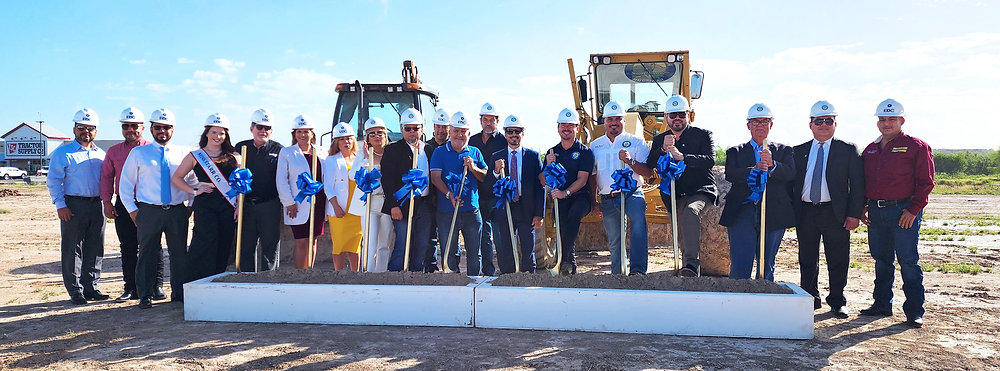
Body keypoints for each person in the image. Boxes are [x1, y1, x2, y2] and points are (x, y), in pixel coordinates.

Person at [859, 98, 934, 328]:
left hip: (903, 212)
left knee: (908, 261)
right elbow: (864, 182)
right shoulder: (870, 149)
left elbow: (926, 182)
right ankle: (882, 304)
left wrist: (913, 210)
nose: (887, 123)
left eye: (892, 119)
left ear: (902, 120)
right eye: (882, 119)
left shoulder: (916, 146)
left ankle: (914, 311)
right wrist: (862, 206)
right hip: (877, 213)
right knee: (881, 260)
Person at [791, 101, 865, 318]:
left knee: (838, 258)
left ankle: (837, 300)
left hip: (835, 213)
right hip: (806, 212)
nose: (823, 125)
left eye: (828, 121)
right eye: (819, 121)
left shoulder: (847, 150)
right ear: (810, 124)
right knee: (807, 258)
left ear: (835, 123)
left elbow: (858, 185)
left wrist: (853, 214)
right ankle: (809, 297)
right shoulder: (799, 151)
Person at [119, 108, 198, 309]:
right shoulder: (139, 153)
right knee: (147, 253)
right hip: (149, 211)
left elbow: (192, 181)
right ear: (151, 129)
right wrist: (132, 210)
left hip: (176, 211)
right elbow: (125, 184)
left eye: (166, 127)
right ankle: (145, 294)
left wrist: (190, 205)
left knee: (179, 253)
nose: (162, 131)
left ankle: (179, 293)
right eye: (158, 127)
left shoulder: (184, 153)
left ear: (173, 129)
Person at [719, 103, 796, 281]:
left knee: (766, 263)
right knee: (740, 262)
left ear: (771, 124)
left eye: (764, 121)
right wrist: (753, 169)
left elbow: (790, 173)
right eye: (755, 122)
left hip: (774, 213)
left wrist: (773, 165)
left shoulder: (784, 151)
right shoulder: (735, 151)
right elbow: (731, 173)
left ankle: (764, 301)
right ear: (748, 126)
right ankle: (738, 300)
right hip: (742, 211)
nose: (760, 125)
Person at [644, 95, 718, 277]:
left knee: (691, 212)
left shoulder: (703, 135)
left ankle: (692, 265)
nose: (677, 118)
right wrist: (662, 150)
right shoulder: (660, 138)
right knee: (680, 231)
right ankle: (687, 270)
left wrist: (682, 156)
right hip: (674, 194)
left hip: (701, 190)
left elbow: (710, 160)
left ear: (688, 116)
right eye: (673, 115)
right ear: (666, 117)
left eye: (681, 114)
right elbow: (650, 163)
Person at [100, 107, 163, 302]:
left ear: (143, 127)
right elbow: (106, 177)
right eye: (126, 126)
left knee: (153, 245)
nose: (130, 129)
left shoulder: (154, 149)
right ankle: (131, 287)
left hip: (149, 204)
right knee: (127, 246)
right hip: (123, 204)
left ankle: (156, 285)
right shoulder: (113, 152)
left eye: (134, 126)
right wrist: (106, 202)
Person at [171, 113, 241, 283]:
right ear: (207, 133)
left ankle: (217, 282)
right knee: (204, 243)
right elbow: (176, 178)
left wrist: (240, 204)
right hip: (205, 205)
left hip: (228, 206)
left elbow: (241, 183)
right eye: (214, 132)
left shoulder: (235, 156)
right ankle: (196, 283)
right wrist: (194, 190)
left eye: (222, 133)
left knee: (224, 244)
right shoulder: (195, 156)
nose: (218, 136)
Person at [47, 108, 107, 305]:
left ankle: (91, 286)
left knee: (95, 246)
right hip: (73, 205)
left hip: (96, 205)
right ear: (74, 128)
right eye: (81, 127)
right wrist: (60, 205)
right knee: (73, 248)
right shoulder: (63, 153)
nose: (85, 132)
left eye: (90, 128)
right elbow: (54, 181)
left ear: (96, 131)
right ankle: (75, 290)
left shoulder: (101, 154)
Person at [590, 101, 652, 275]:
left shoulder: (637, 142)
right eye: (610, 119)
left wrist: (630, 161)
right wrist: (594, 201)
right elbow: (593, 176)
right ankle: (618, 274)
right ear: (604, 121)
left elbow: (647, 172)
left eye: (618, 119)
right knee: (615, 239)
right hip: (608, 197)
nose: (614, 123)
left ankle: (638, 272)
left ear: (624, 120)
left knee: (638, 224)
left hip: (632, 193)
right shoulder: (595, 146)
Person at [430, 111, 489, 275]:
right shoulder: (439, 152)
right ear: (450, 131)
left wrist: (473, 168)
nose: (460, 135)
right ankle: (451, 284)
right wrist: (449, 195)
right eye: (456, 130)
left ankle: (473, 284)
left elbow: (484, 176)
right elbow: (435, 178)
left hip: (471, 211)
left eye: (463, 131)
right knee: (449, 252)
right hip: (446, 211)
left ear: (468, 133)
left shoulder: (475, 152)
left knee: (474, 253)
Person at [486, 115, 544, 274]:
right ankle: (507, 278)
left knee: (527, 248)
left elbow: (540, 187)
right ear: (505, 134)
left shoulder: (532, 157)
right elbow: (488, 184)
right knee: (506, 248)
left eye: (517, 131)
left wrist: (539, 213)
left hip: (527, 209)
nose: (513, 134)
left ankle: (528, 279)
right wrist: (497, 171)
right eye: (510, 131)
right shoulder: (496, 156)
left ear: (522, 133)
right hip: (505, 208)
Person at [381, 108, 434, 272]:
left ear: (422, 129)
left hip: (424, 204)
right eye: (408, 128)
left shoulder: (429, 150)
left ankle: (416, 275)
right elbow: (387, 180)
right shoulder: (392, 150)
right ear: (402, 129)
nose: (412, 132)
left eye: (415, 128)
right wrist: (393, 205)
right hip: (401, 204)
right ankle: (395, 275)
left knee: (422, 242)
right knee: (403, 242)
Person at [545, 108, 595, 275]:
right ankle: (569, 266)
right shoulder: (552, 152)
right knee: (562, 227)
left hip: (581, 196)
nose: (566, 128)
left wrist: (565, 193)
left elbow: (582, 179)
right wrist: (548, 165)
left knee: (573, 214)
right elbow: (546, 178)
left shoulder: (585, 152)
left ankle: (563, 260)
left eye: (570, 125)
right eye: (563, 125)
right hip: (560, 198)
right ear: (558, 128)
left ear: (577, 128)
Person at [234, 108, 284, 271]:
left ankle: (269, 282)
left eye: (267, 128)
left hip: (270, 205)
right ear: (251, 128)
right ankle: (248, 281)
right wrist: (237, 204)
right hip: (247, 205)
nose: (263, 131)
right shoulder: (241, 147)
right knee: (246, 246)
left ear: (272, 130)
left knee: (270, 246)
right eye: (259, 127)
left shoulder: (279, 150)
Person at [276, 115, 327, 269]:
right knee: (301, 240)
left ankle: (309, 273)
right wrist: (289, 202)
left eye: (306, 131)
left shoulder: (322, 152)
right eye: (299, 132)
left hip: (318, 202)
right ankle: (299, 274)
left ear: (312, 133)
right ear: (294, 134)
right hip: (297, 203)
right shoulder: (287, 153)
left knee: (313, 239)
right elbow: (281, 180)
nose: (303, 135)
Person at [469, 102, 506, 276]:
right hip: (478, 194)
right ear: (481, 120)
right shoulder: (472, 141)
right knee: (483, 236)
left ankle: (506, 271)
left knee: (499, 235)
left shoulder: (503, 141)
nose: (488, 123)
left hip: (497, 196)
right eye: (485, 119)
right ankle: (488, 271)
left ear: (497, 121)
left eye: (492, 120)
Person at [351, 117, 393, 272]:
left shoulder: (392, 153)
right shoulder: (362, 155)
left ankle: (381, 273)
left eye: (380, 133)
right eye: (372, 133)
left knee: (385, 243)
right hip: (369, 203)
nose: (377, 136)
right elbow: (352, 175)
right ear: (368, 138)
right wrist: (363, 161)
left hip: (386, 203)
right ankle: (367, 272)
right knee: (369, 241)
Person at [324, 122, 363, 271]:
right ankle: (338, 274)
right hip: (340, 209)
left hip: (357, 209)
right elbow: (327, 186)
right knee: (339, 245)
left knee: (355, 245)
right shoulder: (332, 160)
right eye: (342, 139)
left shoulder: (359, 158)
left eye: (348, 138)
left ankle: (355, 274)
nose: (346, 142)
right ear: (336, 142)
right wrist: (336, 206)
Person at [422, 108, 451, 272]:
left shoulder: (453, 147)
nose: (441, 130)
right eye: (438, 126)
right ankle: (431, 267)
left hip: (449, 198)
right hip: (430, 198)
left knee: (450, 236)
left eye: (444, 127)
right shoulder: (426, 148)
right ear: (433, 127)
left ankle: (450, 267)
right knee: (429, 235)